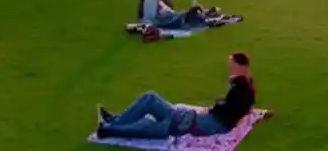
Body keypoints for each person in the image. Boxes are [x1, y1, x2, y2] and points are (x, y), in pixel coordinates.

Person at [96, 52, 256, 139]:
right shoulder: (244, 86)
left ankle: (110, 129)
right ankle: (113, 121)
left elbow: (231, 110)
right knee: (151, 99)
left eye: (233, 66)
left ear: (241, 67)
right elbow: (236, 107)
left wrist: (213, 108)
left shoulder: (241, 88)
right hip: (210, 121)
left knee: (163, 125)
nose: (230, 70)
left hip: (212, 123)